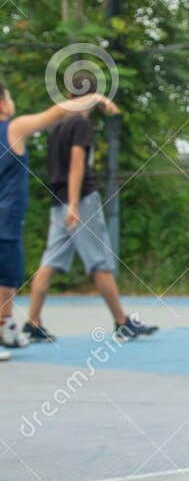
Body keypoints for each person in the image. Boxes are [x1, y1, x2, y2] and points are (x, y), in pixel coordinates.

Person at [21, 90, 159, 344]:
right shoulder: (80, 124)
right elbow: (77, 164)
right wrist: (75, 203)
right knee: (99, 260)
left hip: (58, 199)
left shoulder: (57, 127)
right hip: (80, 199)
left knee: (49, 261)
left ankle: (33, 322)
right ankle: (122, 323)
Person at [0, 83, 122, 360]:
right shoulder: (13, 128)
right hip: (8, 218)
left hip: (22, 214)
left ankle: (7, 324)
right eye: (9, 97)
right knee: (7, 273)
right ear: (2, 105)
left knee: (13, 272)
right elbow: (55, 112)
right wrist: (97, 97)